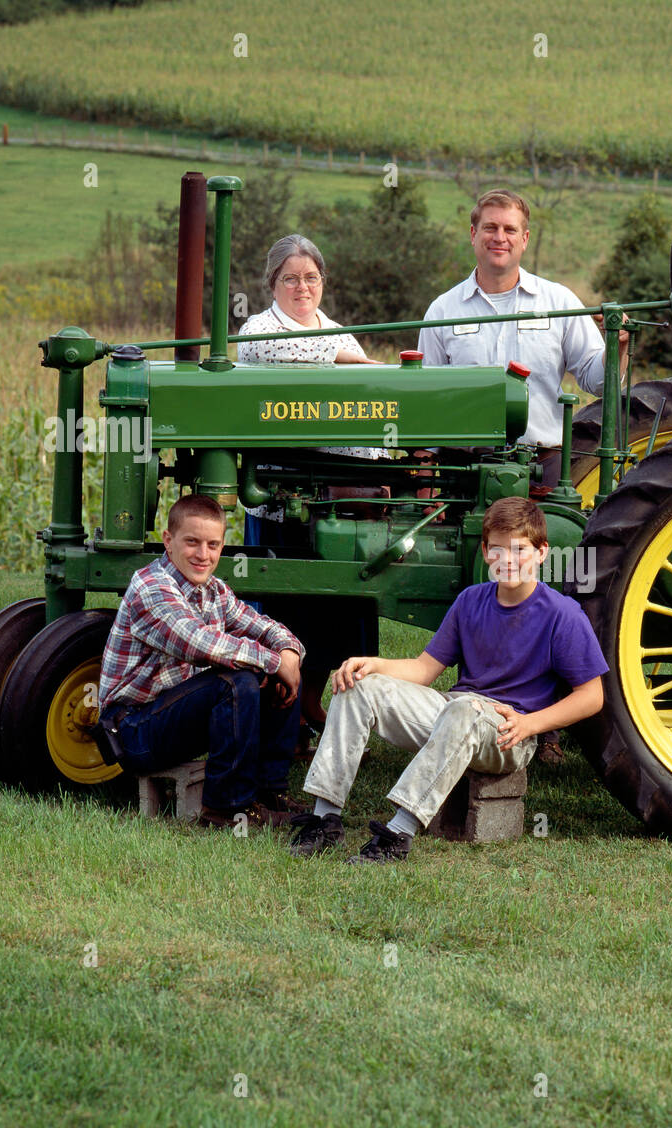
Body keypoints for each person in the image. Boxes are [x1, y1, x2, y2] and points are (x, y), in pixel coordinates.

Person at [288, 497, 608, 863]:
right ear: (486, 551)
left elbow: (592, 696)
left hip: (508, 733)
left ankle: (398, 834)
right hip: (457, 711)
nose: (508, 560)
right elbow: (424, 670)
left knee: (464, 709)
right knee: (358, 686)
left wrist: (530, 724)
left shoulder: (563, 615)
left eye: (520, 550)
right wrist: (373, 665)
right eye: (498, 549)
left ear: (541, 553)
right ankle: (324, 817)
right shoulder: (471, 600)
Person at [97, 493, 310, 829]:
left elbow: (267, 628)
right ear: (168, 541)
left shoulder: (215, 591)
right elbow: (199, 642)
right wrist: (272, 661)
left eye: (213, 545)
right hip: (133, 731)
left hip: (176, 714)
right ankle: (226, 808)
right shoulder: (152, 587)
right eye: (192, 542)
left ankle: (270, 792)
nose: (203, 555)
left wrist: (287, 655)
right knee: (237, 681)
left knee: (280, 671)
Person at [420, 189, 628, 447]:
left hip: (545, 470)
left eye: (510, 229)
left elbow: (598, 383)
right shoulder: (442, 311)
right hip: (462, 470)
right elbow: (427, 400)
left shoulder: (559, 301)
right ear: (473, 235)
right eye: (490, 228)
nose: (499, 238)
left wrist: (616, 347)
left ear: (525, 239)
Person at [237, 233, 385, 546]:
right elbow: (259, 350)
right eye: (290, 278)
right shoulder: (259, 328)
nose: (302, 287)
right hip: (282, 499)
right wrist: (336, 357)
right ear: (273, 283)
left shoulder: (342, 334)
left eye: (311, 277)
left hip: (341, 500)